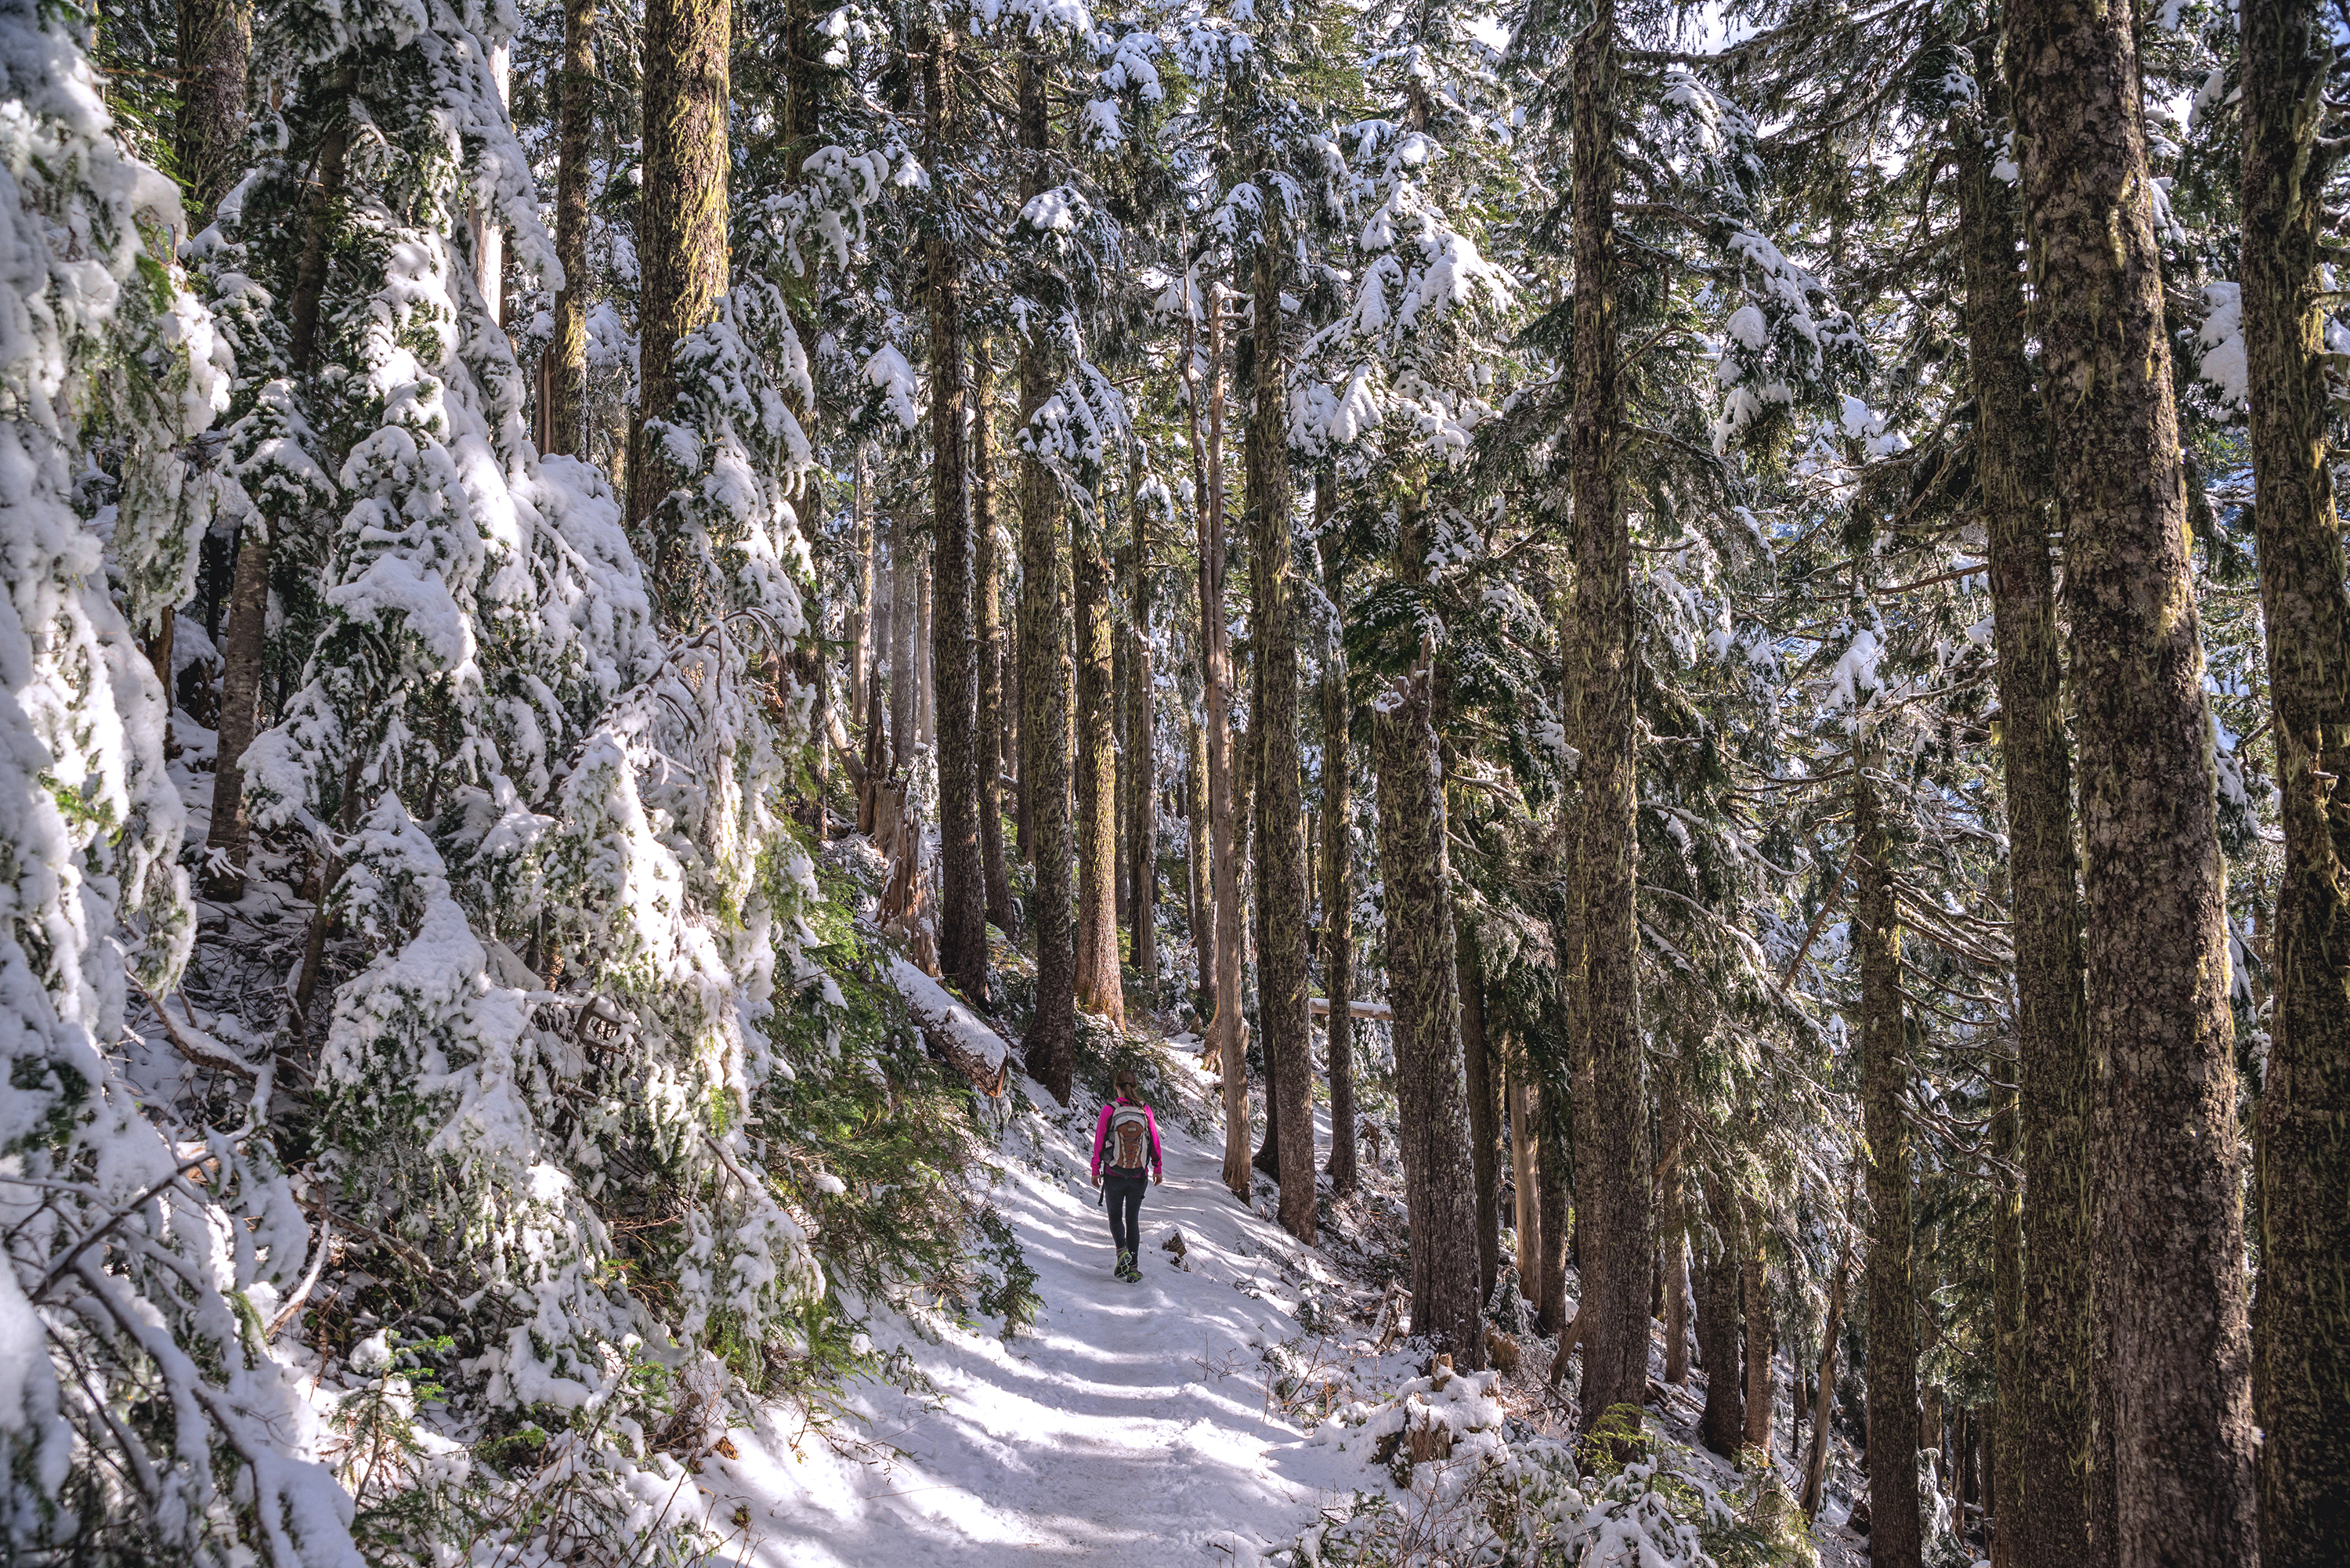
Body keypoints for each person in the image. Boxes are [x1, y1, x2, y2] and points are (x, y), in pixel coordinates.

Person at [1089, 1069, 1162, 1282]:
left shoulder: (1110, 1110)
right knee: (1132, 1219)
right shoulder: (1145, 1110)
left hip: (1114, 1173)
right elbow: (1154, 1141)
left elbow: (1099, 1142)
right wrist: (1157, 1167)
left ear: (1117, 1087)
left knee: (1115, 1216)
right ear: (1135, 1087)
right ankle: (1133, 1268)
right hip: (1139, 1175)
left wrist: (1095, 1169)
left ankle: (1122, 1251)